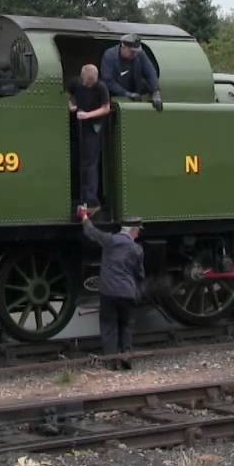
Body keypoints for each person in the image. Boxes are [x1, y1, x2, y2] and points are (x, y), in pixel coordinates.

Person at [81, 213, 145, 370]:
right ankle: (126, 357)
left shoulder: (109, 240)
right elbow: (140, 274)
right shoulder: (137, 249)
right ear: (133, 230)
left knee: (109, 325)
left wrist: (84, 217)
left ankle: (111, 361)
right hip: (127, 293)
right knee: (127, 325)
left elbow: (91, 231)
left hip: (108, 292)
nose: (138, 234)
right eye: (138, 231)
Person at [67, 64, 110, 214]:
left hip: (94, 127)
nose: (89, 85)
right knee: (82, 162)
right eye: (87, 82)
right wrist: (71, 104)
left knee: (90, 164)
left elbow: (106, 108)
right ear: (82, 77)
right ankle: (83, 199)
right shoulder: (76, 83)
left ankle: (92, 201)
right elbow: (67, 93)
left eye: (92, 82)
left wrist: (88, 115)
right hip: (80, 126)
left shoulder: (101, 87)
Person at [101, 33, 163, 112]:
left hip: (136, 93)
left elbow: (150, 72)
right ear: (123, 47)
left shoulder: (139, 54)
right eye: (132, 52)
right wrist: (126, 94)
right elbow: (108, 81)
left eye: (137, 52)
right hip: (114, 96)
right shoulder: (109, 56)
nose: (135, 54)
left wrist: (155, 91)